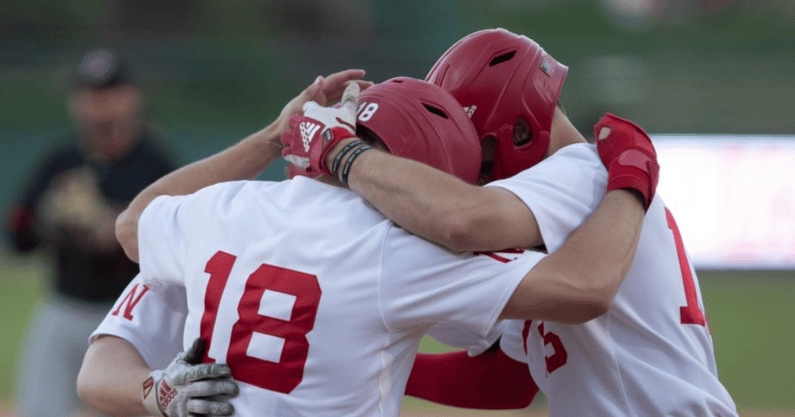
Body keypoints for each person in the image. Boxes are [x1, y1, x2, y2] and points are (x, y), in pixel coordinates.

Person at [79, 72, 655, 417]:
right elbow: (584, 290)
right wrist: (629, 182)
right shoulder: (399, 252)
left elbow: (132, 225)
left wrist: (273, 139)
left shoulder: (224, 207)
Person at [282, 28, 738, 416]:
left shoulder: (581, 172)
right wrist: (362, 364)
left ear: (519, 131)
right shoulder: (561, 213)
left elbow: (463, 221)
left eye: (475, 153)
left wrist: (345, 156)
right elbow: (505, 382)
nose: (468, 174)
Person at [4, 47, 177, 417]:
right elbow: (18, 237)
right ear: (77, 102)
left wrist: (114, 228)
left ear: (133, 98)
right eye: (91, 95)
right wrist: (45, 222)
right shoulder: (61, 161)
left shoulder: (157, 166)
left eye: (111, 93)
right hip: (64, 308)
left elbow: (181, 250)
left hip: (135, 322)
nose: (101, 105)